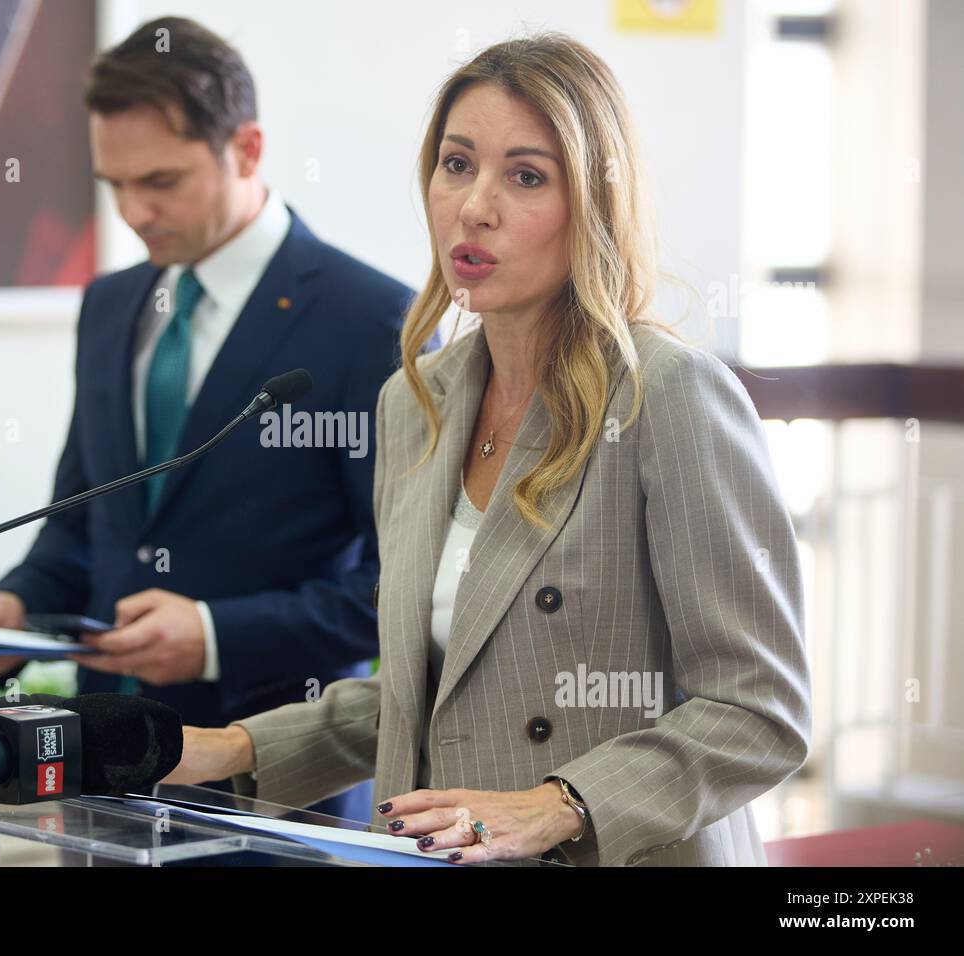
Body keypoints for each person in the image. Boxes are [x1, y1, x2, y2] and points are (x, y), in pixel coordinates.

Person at [163, 32, 813, 866]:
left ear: (595, 206)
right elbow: (435, 689)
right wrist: (229, 748)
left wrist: (556, 806)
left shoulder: (668, 395)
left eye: (527, 176)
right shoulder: (416, 402)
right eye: (457, 164)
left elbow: (760, 709)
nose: (474, 206)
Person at [0, 17, 411, 824]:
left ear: (248, 150)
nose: (133, 212)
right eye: (115, 183)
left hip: (276, 791)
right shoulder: (111, 304)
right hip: (97, 770)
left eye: (161, 180)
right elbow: (79, 526)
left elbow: (403, 595)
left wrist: (219, 633)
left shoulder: (372, 320)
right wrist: (16, 606)